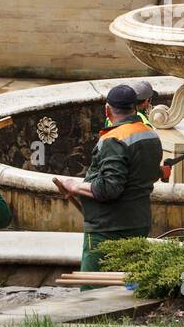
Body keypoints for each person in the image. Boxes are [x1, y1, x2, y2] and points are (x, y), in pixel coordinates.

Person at [55, 84, 162, 273]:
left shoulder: (114, 139)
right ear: (135, 107)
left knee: (93, 295)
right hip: (138, 223)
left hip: (108, 229)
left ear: (107, 109)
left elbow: (108, 189)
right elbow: (144, 173)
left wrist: (73, 186)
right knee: (127, 290)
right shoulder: (150, 133)